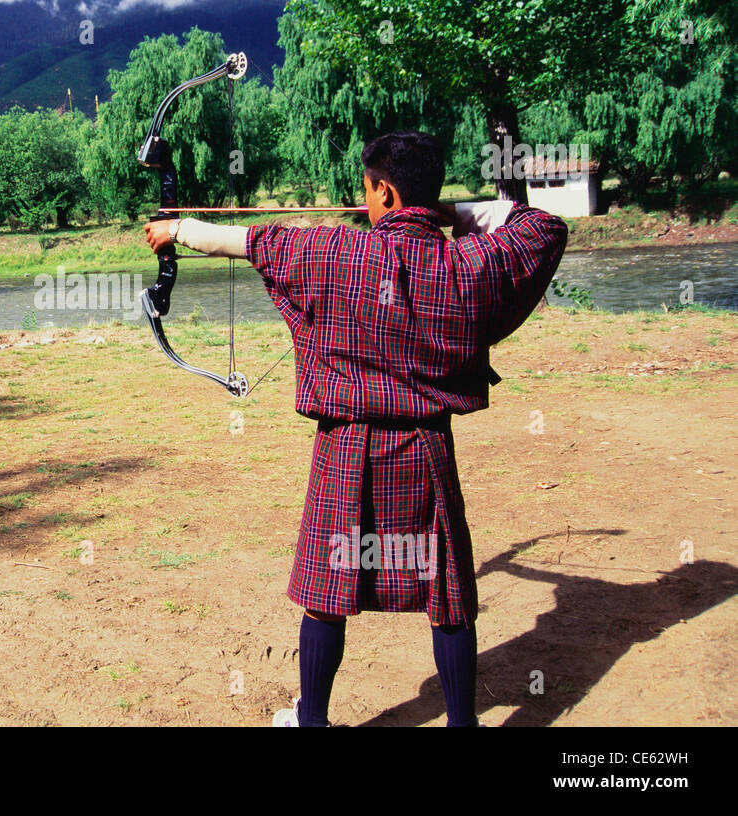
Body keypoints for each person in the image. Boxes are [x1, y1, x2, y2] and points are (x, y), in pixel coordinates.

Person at [142, 130, 568, 726]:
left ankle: (312, 721)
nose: (364, 201)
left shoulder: (335, 252)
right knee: (446, 594)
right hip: (425, 447)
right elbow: (542, 226)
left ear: (385, 192)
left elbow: (248, 241)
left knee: (326, 591)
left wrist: (176, 230)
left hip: (346, 447)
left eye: (368, 190)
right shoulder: (467, 264)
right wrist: (446, 212)